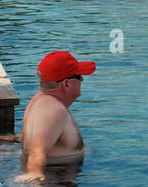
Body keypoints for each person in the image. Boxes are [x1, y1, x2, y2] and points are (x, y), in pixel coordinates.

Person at [11, 51, 92, 180]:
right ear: (66, 84)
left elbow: (29, 139)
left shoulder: (39, 101)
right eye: (79, 76)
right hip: (55, 181)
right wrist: (35, 173)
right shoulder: (52, 109)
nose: (82, 79)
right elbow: (37, 151)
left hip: (57, 173)